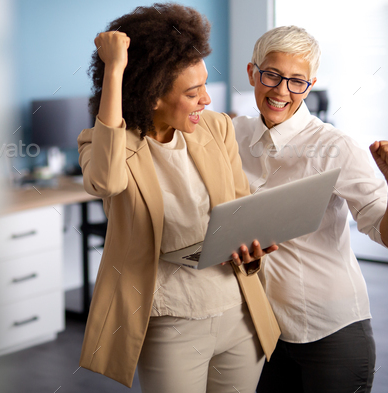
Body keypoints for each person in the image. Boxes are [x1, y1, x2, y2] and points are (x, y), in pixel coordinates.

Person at [77, 4, 280, 392]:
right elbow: (104, 182)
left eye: (205, 84)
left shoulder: (218, 129)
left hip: (238, 311)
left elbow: (241, 209)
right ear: (153, 97)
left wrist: (251, 248)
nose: (206, 99)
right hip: (171, 320)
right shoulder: (106, 145)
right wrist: (115, 71)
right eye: (193, 91)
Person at [232, 26, 388, 393]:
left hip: (332, 329)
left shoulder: (335, 147)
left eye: (296, 81)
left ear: (309, 86)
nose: (282, 91)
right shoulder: (233, 134)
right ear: (252, 73)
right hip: (265, 329)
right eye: (271, 75)